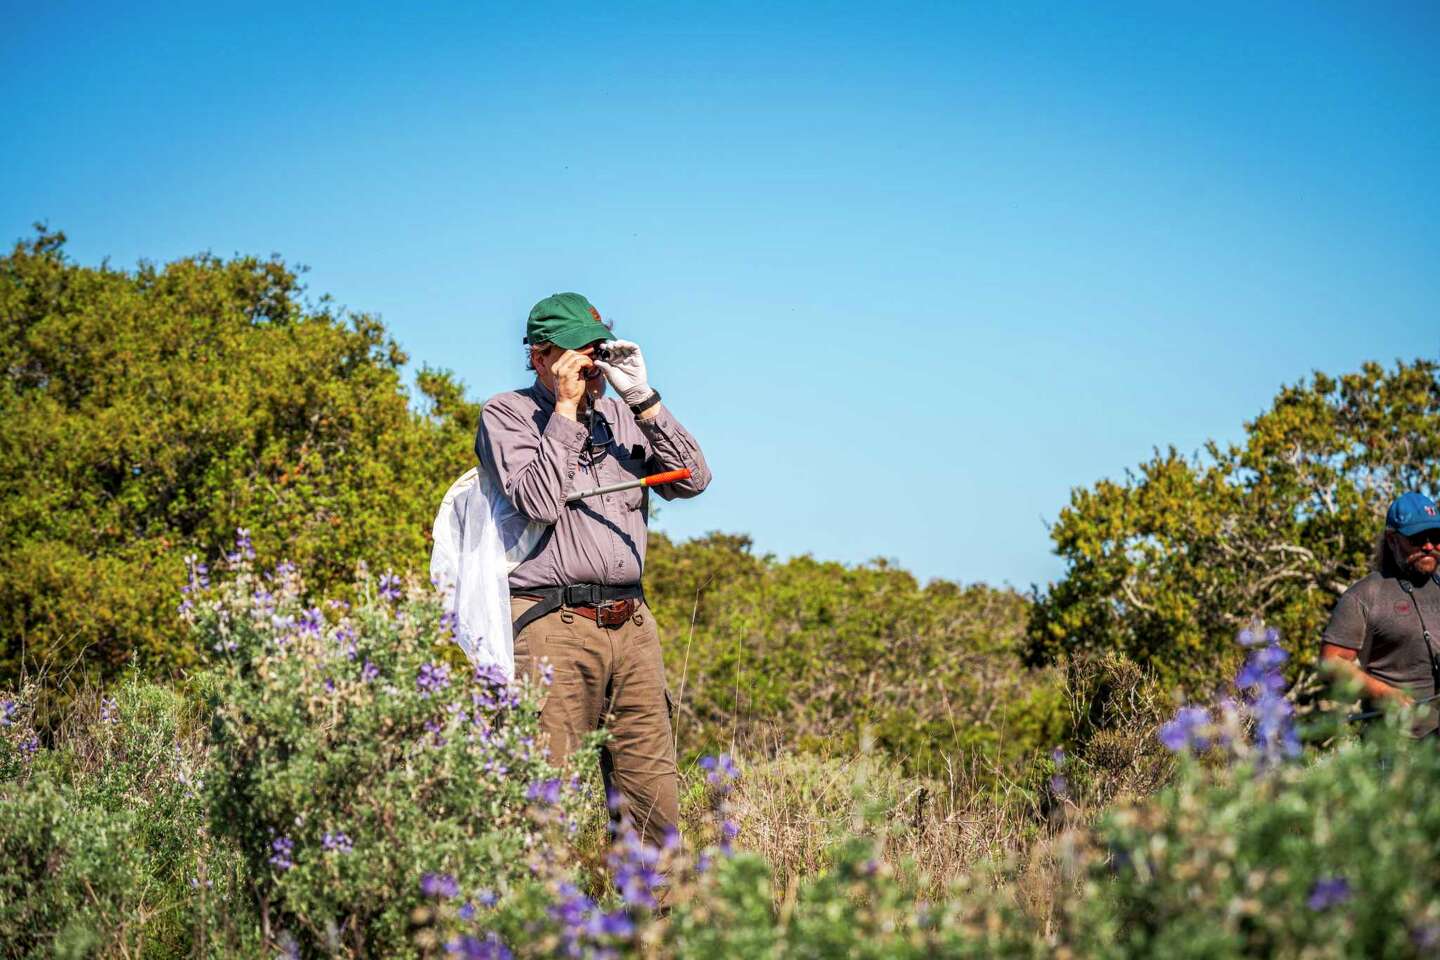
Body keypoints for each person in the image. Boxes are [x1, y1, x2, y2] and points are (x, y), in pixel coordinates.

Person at [476, 292, 711, 857]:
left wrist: (643, 399)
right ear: (540, 357)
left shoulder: (623, 415)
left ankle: (657, 934)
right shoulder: (506, 413)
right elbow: (535, 500)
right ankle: (535, 930)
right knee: (540, 796)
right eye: (579, 356)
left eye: (597, 353)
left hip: (632, 624)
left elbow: (694, 479)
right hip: (552, 623)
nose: (591, 368)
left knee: (652, 799)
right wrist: (563, 411)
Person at [1321, 491, 1440, 737]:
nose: (1429, 546)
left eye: (1436, 537)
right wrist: (1385, 694)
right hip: (1397, 749)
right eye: (1417, 538)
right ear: (1392, 540)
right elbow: (1331, 665)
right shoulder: (1365, 595)